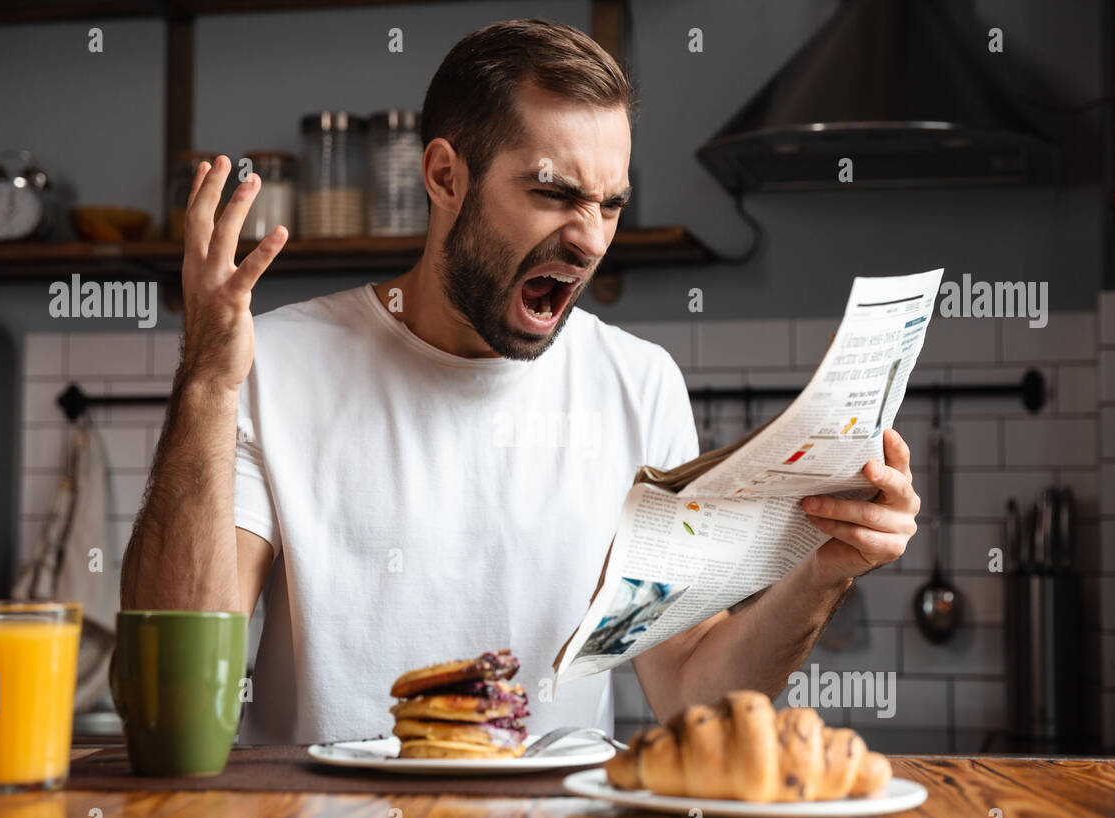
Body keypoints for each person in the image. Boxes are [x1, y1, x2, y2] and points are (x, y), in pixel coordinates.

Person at [119, 18, 920, 744]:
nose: (589, 238)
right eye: (553, 194)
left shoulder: (638, 385)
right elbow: (178, 704)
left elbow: (691, 695)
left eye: (609, 205)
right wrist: (206, 386)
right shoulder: (278, 368)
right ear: (444, 178)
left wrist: (825, 570)